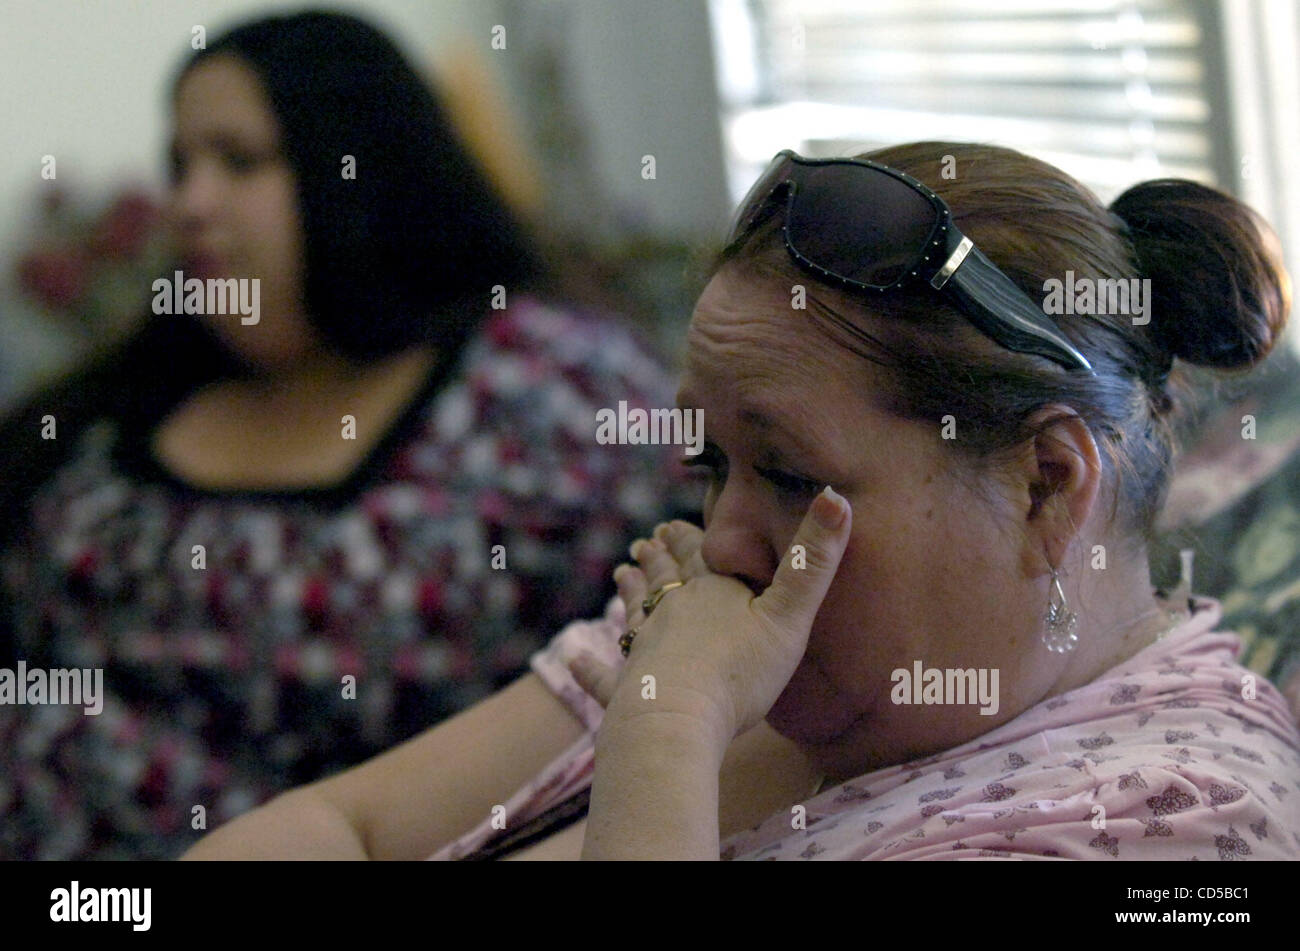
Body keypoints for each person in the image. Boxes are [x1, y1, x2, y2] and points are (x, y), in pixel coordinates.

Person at [183, 140, 1300, 861]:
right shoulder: (733, 634)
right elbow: (343, 827)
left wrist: (663, 735)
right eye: (710, 465)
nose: (721, 540)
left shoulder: (1167, 823)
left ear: (1046, 485)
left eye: (794, 476)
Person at [0, 11, 693, 860]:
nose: (191, 203)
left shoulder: (555, 396)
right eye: (180, 165)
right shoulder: (128, 393)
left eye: (240, 161)